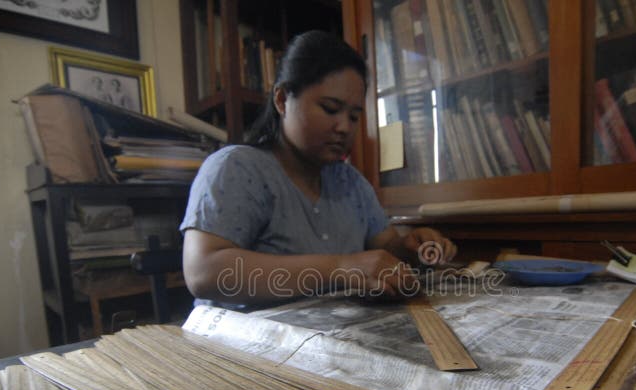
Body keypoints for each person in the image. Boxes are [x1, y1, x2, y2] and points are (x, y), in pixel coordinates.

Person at [180, 30, 456, 309]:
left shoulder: (351, 182)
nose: (344, 127)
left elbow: (383, 247)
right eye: (329, 108)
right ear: (282, 99)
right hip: (239, 345)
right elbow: (204, 272)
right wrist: (341, 268)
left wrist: (410, 248)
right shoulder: (238, 168)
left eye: (354, 116)